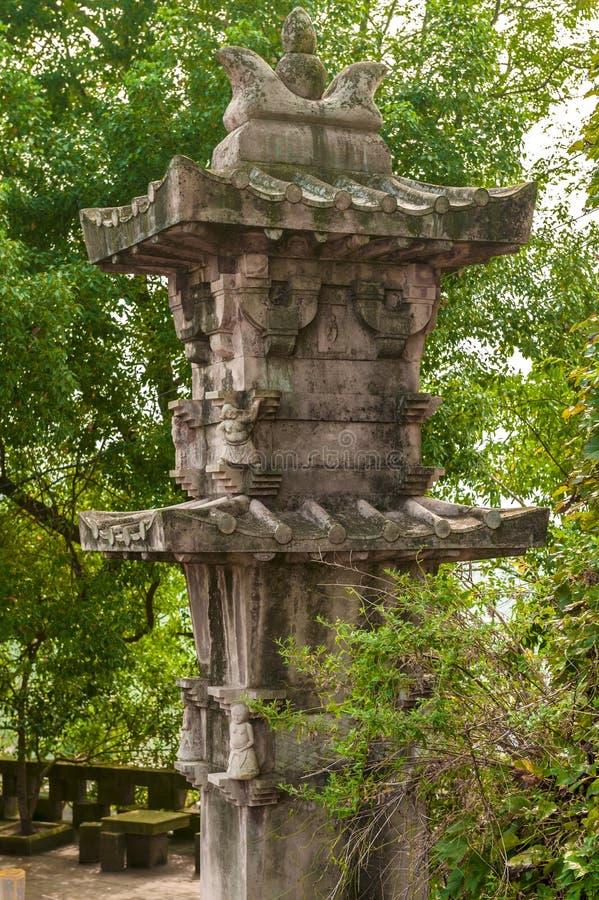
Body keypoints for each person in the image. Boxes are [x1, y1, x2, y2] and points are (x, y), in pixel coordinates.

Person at [217, 399, 261, 466]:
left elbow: (251, 418)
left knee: (252, 453)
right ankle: (224, 460)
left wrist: (256, 403)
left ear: (235, 410)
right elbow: (218, 430)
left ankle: (254, 462)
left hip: (245, 443)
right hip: (230, 444)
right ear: (225, 416)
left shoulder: (241, 419)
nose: (230, 413)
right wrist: (223, 438)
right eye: (227, 412)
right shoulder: (225, 423)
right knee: (225, 453)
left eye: (230, 410)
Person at [227, 703, 259, 780]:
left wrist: (243, 748)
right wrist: (231, 745)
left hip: (245, 750)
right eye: (234, 715)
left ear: (245, 716)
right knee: (233, 769)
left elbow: (251, 741)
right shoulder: (232, 725)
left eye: (239, 715)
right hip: (234, 750)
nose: (236, 718)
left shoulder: (247, 726)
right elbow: (231, 738)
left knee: (245, 770)